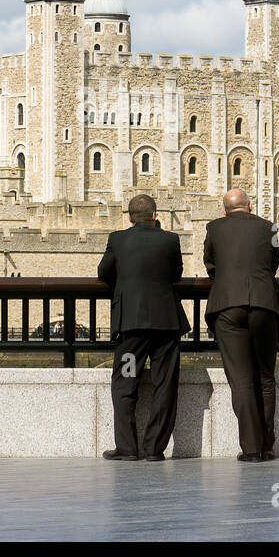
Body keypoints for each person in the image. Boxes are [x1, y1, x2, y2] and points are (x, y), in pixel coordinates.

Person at [97, 193, 189, 461]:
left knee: (125, 383)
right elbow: (176, 274)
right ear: (155, 216)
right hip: (165, 326)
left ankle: (127, 448)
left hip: (131, 329)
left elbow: (103, 272)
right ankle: (154, 449)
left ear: (128, 217)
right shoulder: (170, 240)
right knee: (165, 384)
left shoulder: (118, 239)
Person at [203, 189, 279, 462]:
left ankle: (251, 449)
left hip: (227, 306)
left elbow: (210, 265)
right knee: (265, 376)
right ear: (250, 206)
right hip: (264, 305)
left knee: (242, 380)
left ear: (224, 210)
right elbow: (273, 265)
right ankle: (268, 444)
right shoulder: (270, 228)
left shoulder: (214, 228)